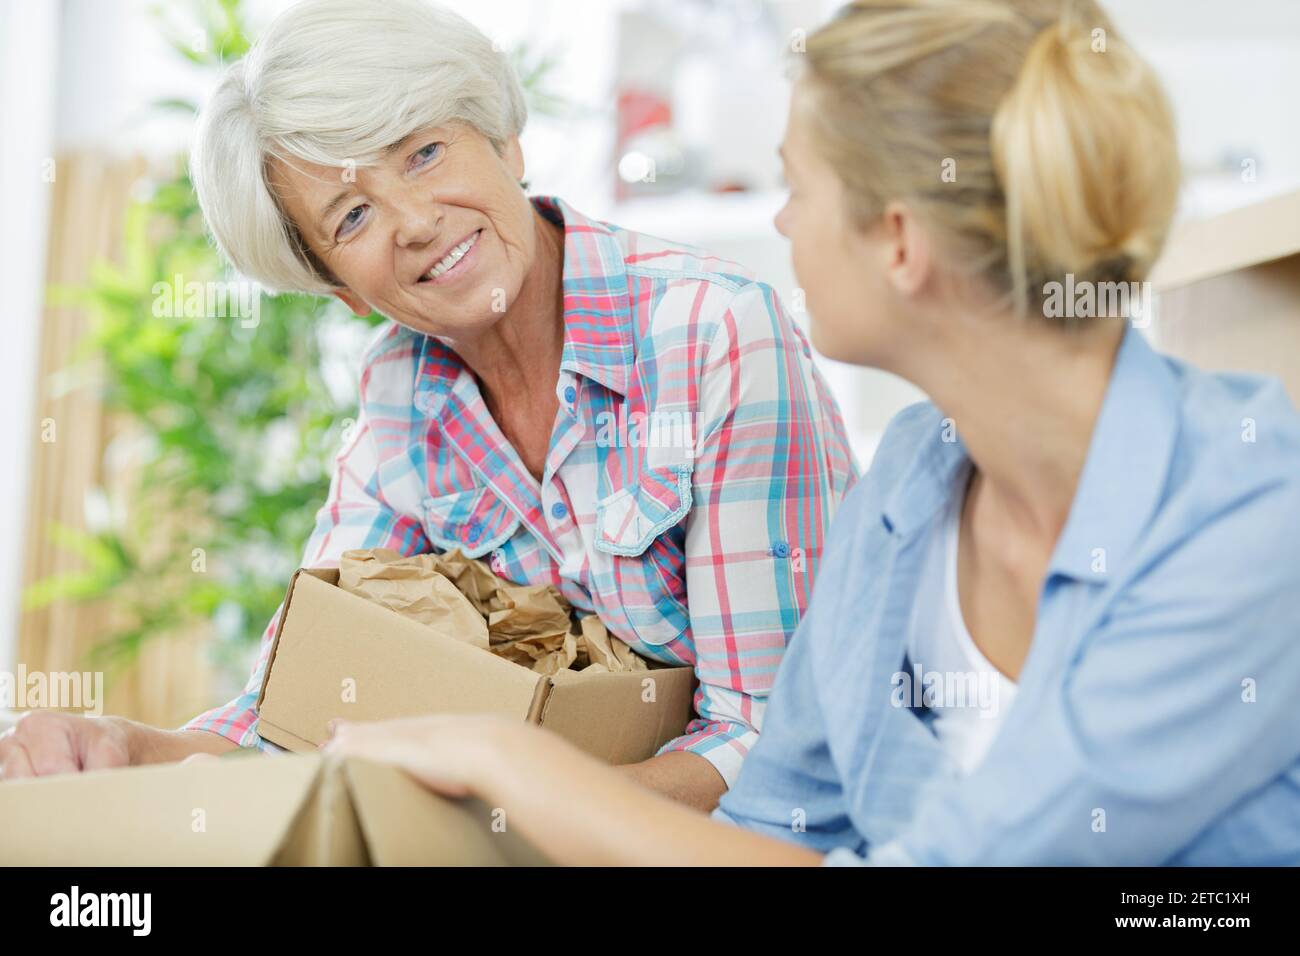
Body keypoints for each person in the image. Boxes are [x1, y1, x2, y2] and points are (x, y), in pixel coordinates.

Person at [325, 0, 1300, 865]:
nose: (782, 222)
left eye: (797, 186)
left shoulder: (1248, 516)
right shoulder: (912, 486)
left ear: (900, 240)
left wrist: (512, 764)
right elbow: (777, 823)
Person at [0, 0, 855, 811]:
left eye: (423, 153)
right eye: (354, 213)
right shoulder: (399, 394)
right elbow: (294, 720)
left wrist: (515, 804)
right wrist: (119, 748)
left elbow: (769, 737)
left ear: (506, 144)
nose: (414, 220)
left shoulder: (713, 335)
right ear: (340, 289)